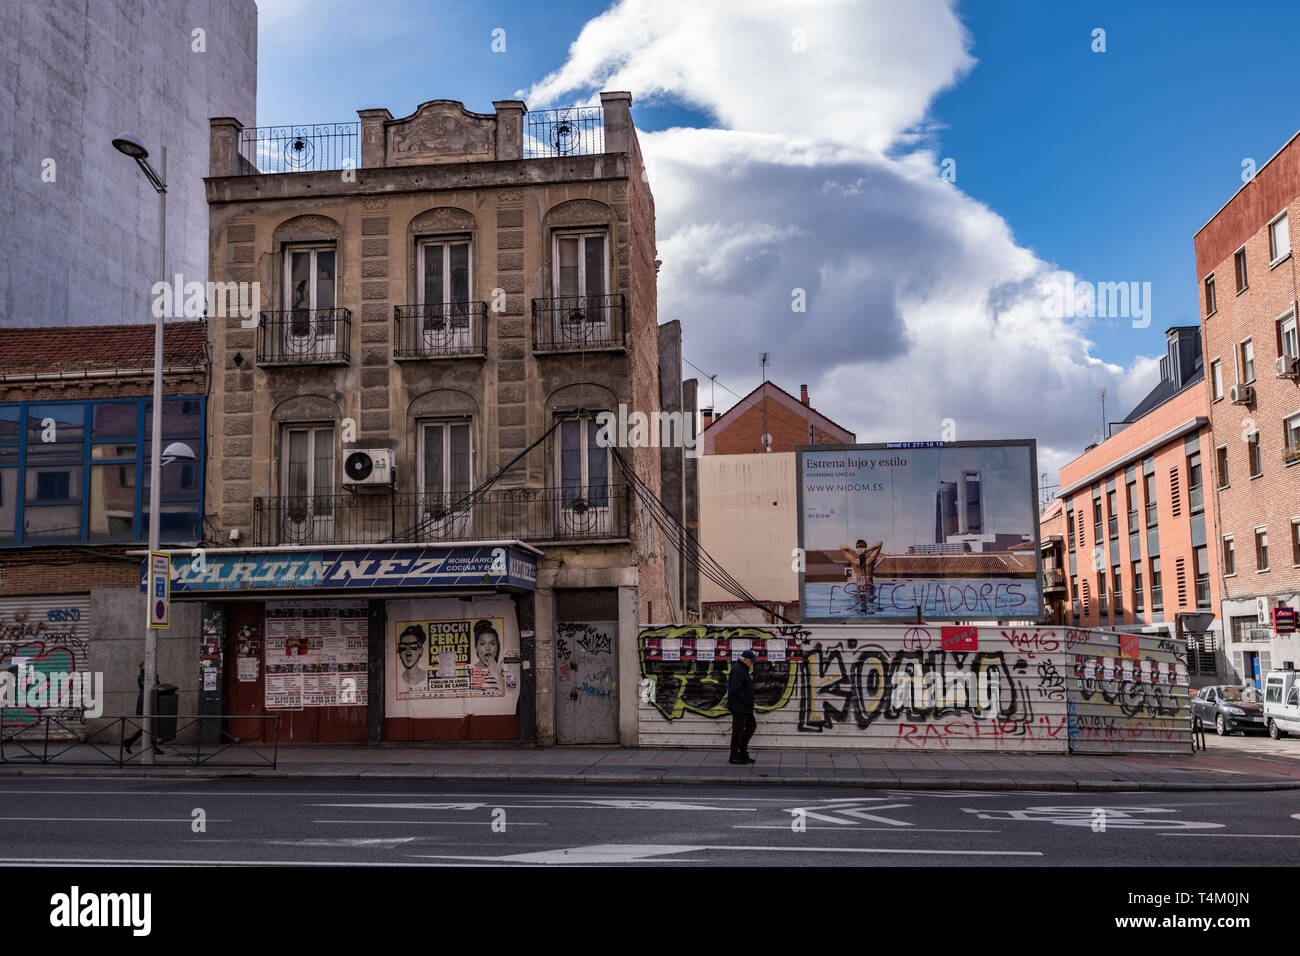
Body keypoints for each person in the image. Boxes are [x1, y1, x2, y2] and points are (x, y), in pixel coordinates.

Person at [123, 661, 164, 755]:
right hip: (145, 701)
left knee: (149, 724)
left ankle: (129, 741)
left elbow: (157, 685)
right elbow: (148, 687)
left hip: (152, 700)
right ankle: (151, 745)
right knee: (150, 724)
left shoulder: (153, 674)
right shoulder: (141, 676)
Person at [727, 649, 758, 765]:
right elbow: (736, 689)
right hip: (739, 706)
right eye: (751, 661)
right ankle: (734, 756)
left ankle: (743, 752)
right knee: (738, 732)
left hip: (744, 706)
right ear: (744, 659)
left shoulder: (742, 668)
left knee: (751, 726)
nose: (752, 663)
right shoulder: (738, 669)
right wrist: (747, 701)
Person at [472, 619, 503, 694]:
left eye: (492, 643)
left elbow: (510, 697)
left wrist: (498, 677)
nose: (488, 648)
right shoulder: (470, 670)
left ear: (497, 647)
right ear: (476, 647)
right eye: (482, 644)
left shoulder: (503, 669)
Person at [396, 625, 428, 690]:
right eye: (403, 646)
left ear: (420, 651)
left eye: (413, 645)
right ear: (400, 653)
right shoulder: (396, 680)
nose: (407, 649)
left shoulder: (427, 677)